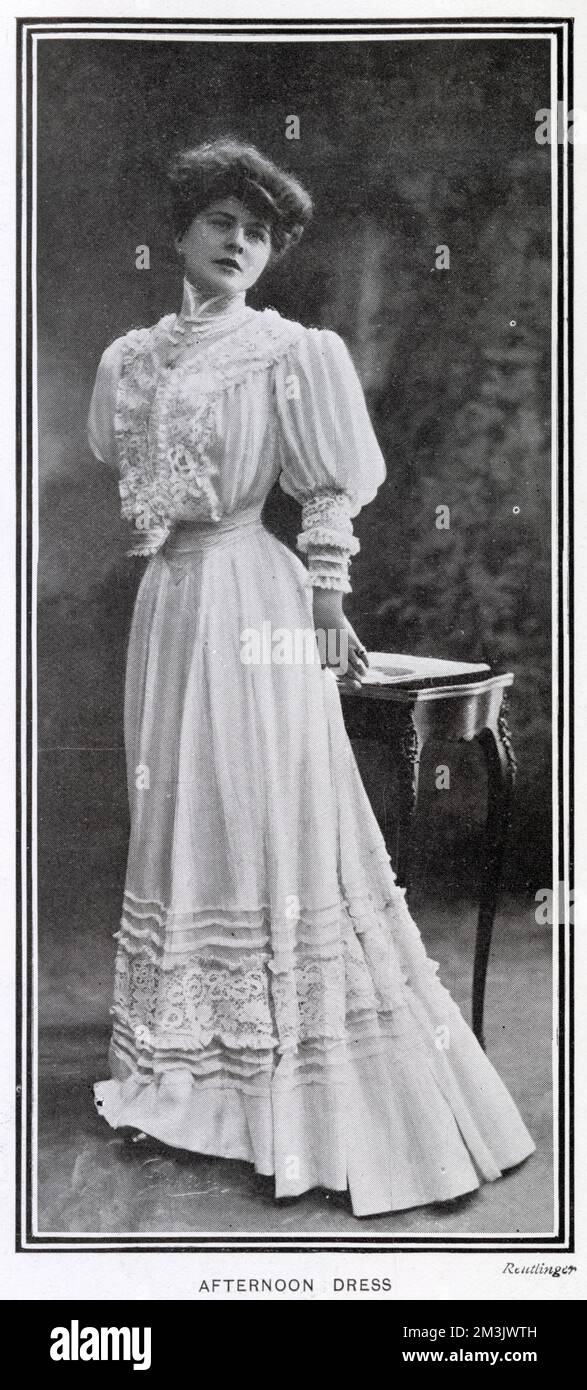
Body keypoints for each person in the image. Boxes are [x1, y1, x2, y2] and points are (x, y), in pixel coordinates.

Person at [87, 136, 535, 1218]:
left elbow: (329, 483)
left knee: (267, 803)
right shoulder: (129, 360)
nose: (239, 244)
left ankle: (289, 1058)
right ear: (182, 232)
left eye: (259, 232)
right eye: (220, 224)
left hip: (256, 593)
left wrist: (327, 592)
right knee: (182, 808)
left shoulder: (290, 353)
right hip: (170, 604)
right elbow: (127, 465)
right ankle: (189, 1062)